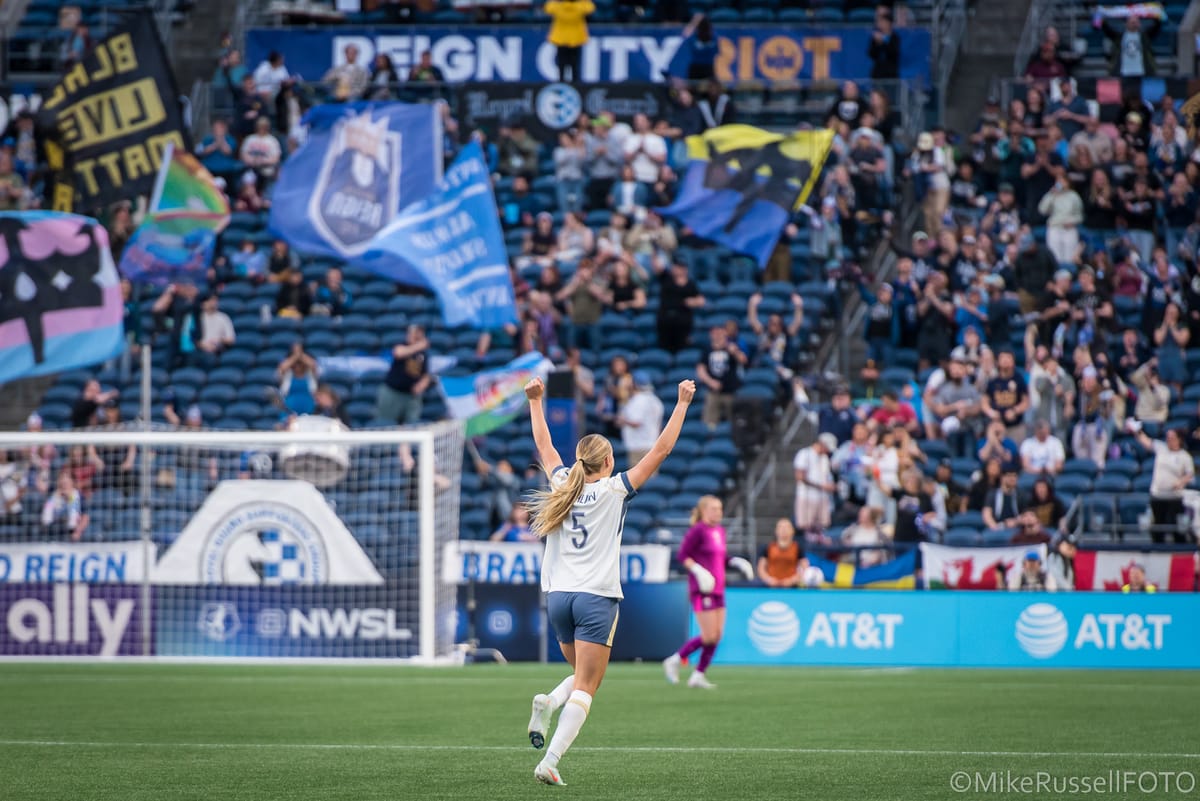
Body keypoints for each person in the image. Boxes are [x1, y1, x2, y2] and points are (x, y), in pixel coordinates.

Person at [523, 376, 695, 786]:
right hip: (595, 597)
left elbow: (545, 446)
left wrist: (535, 401)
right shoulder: (615, 490)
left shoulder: (563, 482)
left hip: (559, 596)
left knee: (581, 674)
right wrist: (682, 403)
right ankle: (550, 759)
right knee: (589, 684)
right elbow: (662, 449)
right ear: (607, 463)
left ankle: (549, 701)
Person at [663, 495, 727, 690]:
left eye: (720, 508)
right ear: (704, 511)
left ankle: (698, 674)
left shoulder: (720, 531)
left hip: (718, 588)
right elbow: (683, 555)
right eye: (714, 508)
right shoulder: (698, 530)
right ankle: (675, 659)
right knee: (708, 636)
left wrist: (736, 563)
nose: (718, 512)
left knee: (717, 635)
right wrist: (698, 570)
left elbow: (722, 557)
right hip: (702, 589)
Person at [1130, 423, 1195, 544]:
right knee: (1158, 525)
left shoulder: (1184, 456)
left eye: (1171, 438)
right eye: (1167, 438)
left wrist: (1181, 482)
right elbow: (1146, 441)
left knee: (1176, 526)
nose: (1169, 440)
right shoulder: (1161, 448)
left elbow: (1190, 474)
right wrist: (1136, 430)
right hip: (1158, 495)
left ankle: (1180, 550)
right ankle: (1158, 547)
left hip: (1174, 497)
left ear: (1178, 440)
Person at [376, 325, 431, 425]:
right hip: (393, 392)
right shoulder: (403, 346)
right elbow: (398, 353)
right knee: (386, 424)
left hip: (411, 396)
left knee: (412, 425)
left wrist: (422, 384)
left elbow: (426, 375)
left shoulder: (423, 355)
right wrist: (419, 345)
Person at [696, 325, 746, 430]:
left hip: (730, 392)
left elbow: (743, 360)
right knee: (709, 423)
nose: (718, 336)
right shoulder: (707, 350)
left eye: (720, 333)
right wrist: (711, 382)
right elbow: (700, 369)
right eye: (715, 333)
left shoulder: (731, 348)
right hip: (713, 393)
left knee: (733, 421)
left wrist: (735, 352)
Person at [616, 371, 663, 468]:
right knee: (652, 479)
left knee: (638, 481)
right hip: (652, 444)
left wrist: (622, 420)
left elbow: (636, 422)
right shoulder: (656, 400)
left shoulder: (638, 400)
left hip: (638, 446)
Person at [793, 433, 837, 534]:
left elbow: (826, 477)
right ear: (822, 444)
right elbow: (800, 477)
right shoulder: (805, 454)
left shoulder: (824, 458)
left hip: (822, 498)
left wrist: (831, 486)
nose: (828, 451)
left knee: (822, 526)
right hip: (807, 496)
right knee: (806, 527)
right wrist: (822, 486)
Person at [544, 0, 594, 83]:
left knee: (561, 65)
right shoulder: (580, 7)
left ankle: (561, 83)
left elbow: (548, 8)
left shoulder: (558, 7)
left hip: (560, 38)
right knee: (575, 65)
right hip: (576, 38)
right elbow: (590, 8)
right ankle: (576, 85)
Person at [756, 518, 808, 587]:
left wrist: (792, 580)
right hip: (771, 587)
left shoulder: (798, 548)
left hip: (792, 588)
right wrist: (769, 580)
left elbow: (804, 567)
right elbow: (761, 568)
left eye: (787, 527)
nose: (784, 530)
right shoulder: (768, 548)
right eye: (781, 527)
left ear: (792, 531)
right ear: (776, 531)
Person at [41, 472, 88, 542]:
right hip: (53, 530)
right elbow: (46, 516)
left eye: (67, 478)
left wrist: (77, 532)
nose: (64, 481)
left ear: (72, 482)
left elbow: (85, 517)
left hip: (72, 530)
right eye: (62, 478)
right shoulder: (52, 496)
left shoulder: (79, 497)